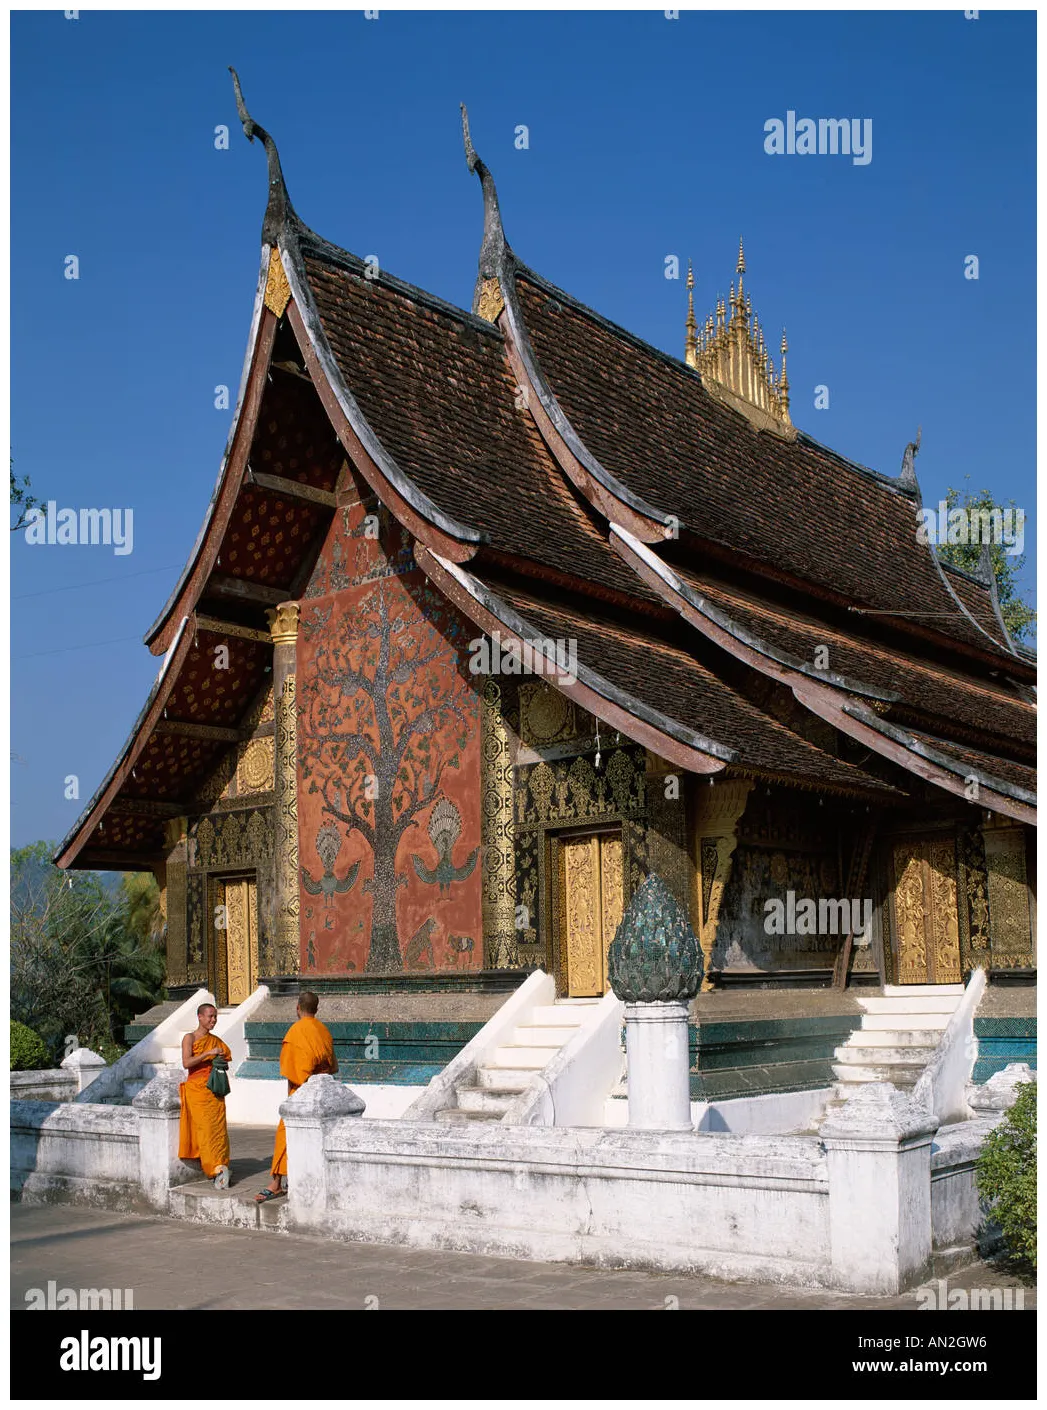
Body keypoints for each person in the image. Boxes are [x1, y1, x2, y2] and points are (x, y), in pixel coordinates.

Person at [255, 990, 337, 1203]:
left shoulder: (295, 1032)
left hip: (302, 1092)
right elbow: (332, 1065)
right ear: (316, 1009)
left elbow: (295, 1071)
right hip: (324, 1091)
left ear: (297, 1008)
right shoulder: (324, 1031)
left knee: (285, 1135)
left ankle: (276, 1184)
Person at [178, 1002, 232, 1189]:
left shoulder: (216, 1040)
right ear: (200, 1017)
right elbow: (186, 1062)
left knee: (219, 1129)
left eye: (215, 1016)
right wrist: (208, 1054)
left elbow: (225, 1059)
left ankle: (222, 1163)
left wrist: (219, 1059)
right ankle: (213, 1168)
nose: (213, 1020)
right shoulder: (190, 1038)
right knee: (206, 1130)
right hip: (197, 1090)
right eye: (210, 1016)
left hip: (214, 1089)